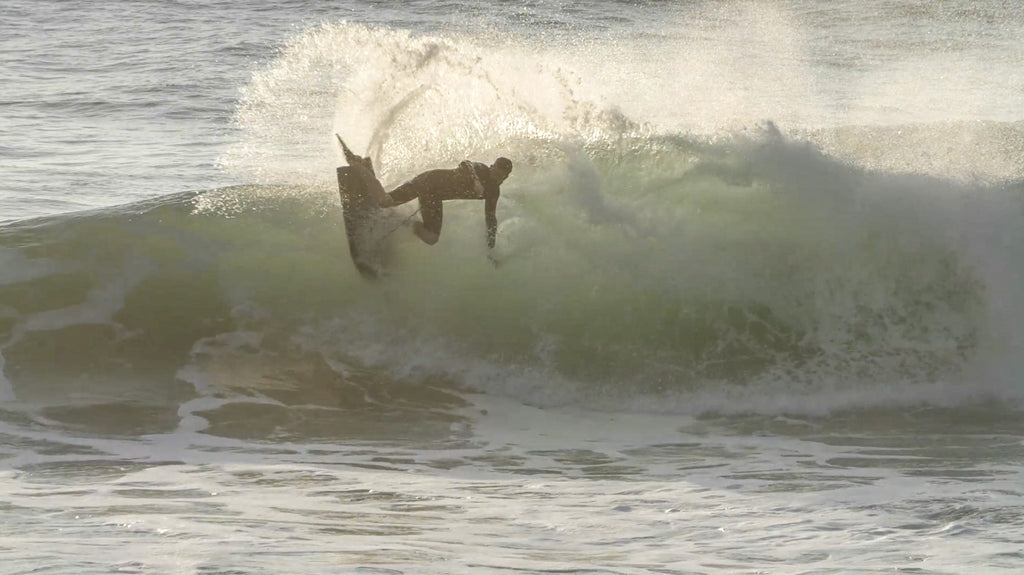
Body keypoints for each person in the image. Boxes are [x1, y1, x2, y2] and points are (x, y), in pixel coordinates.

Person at [380, 157, 513, 249]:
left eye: (500, 177)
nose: (495, 178)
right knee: (387, 202)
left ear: (505, 177)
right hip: (427, 181)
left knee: (431, 238)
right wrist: (476, 181)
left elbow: (490, 217)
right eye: (494, 172)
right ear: (491, 167)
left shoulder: (493, 192)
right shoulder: (481, 169)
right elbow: (466, 164)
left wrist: (491, 245)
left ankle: (402, 220)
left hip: (433, 197)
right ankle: (370, 191)